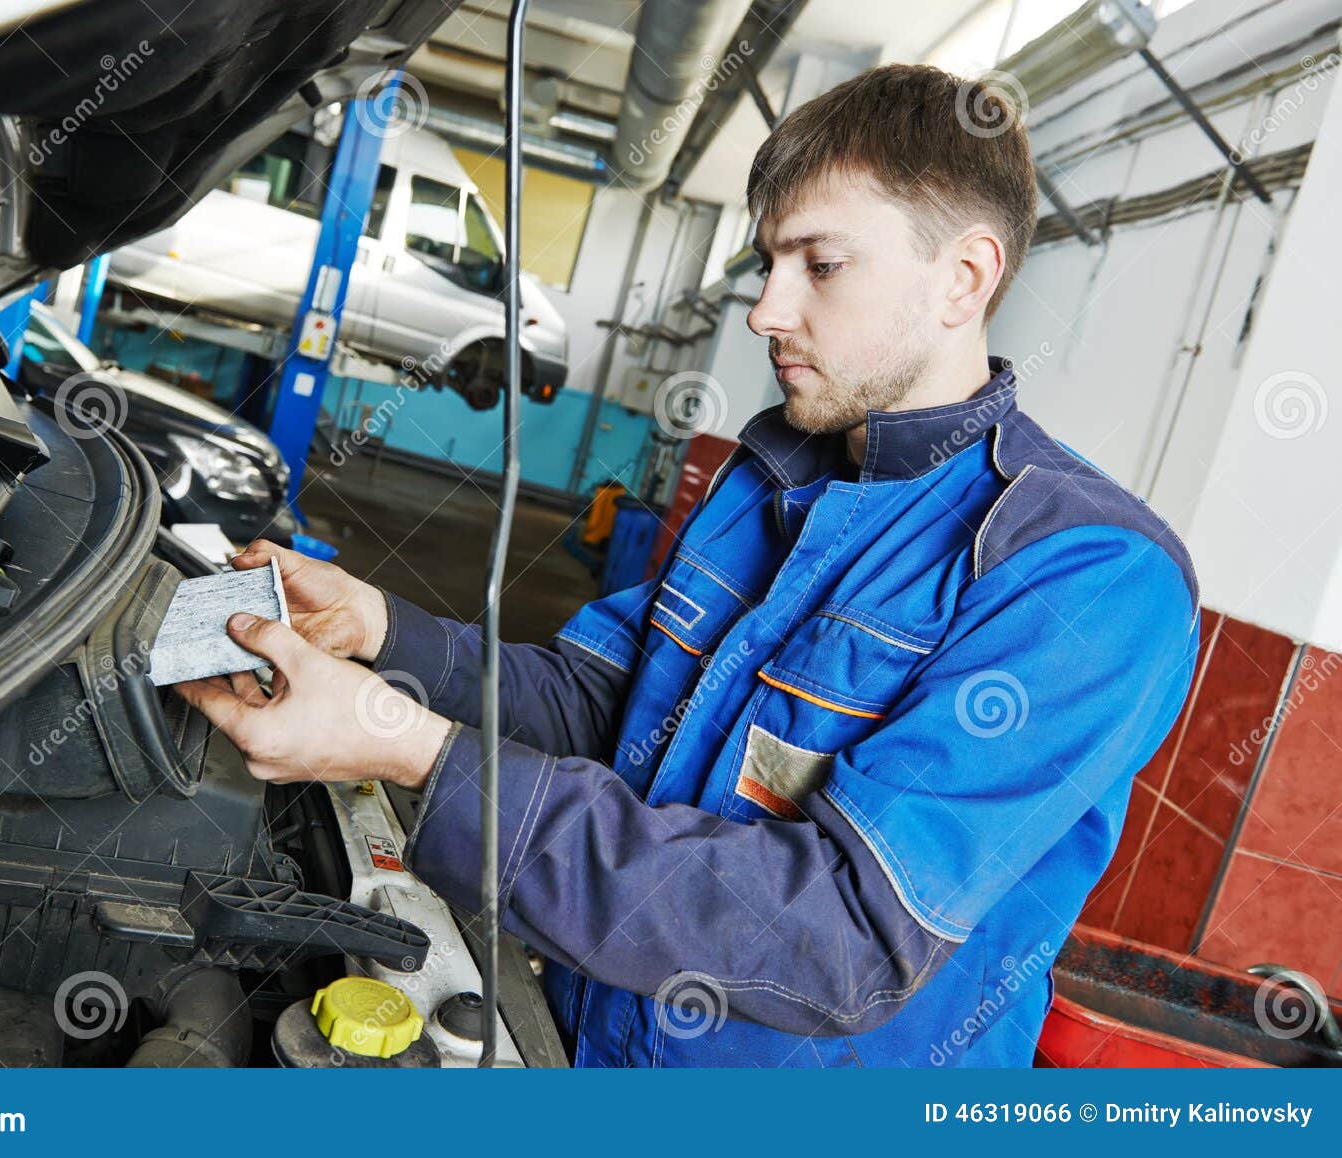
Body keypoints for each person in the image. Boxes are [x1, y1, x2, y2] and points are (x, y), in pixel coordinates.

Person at [173, 63, 1199, 1068]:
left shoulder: (1086, 577)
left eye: (819, 266)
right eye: (766, 265)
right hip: (584, 1032)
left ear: (962, 278)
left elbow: (838, 941)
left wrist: (410, 750)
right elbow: (600, 704)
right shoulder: (770, 477)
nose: (764, 312)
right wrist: (385, 635)